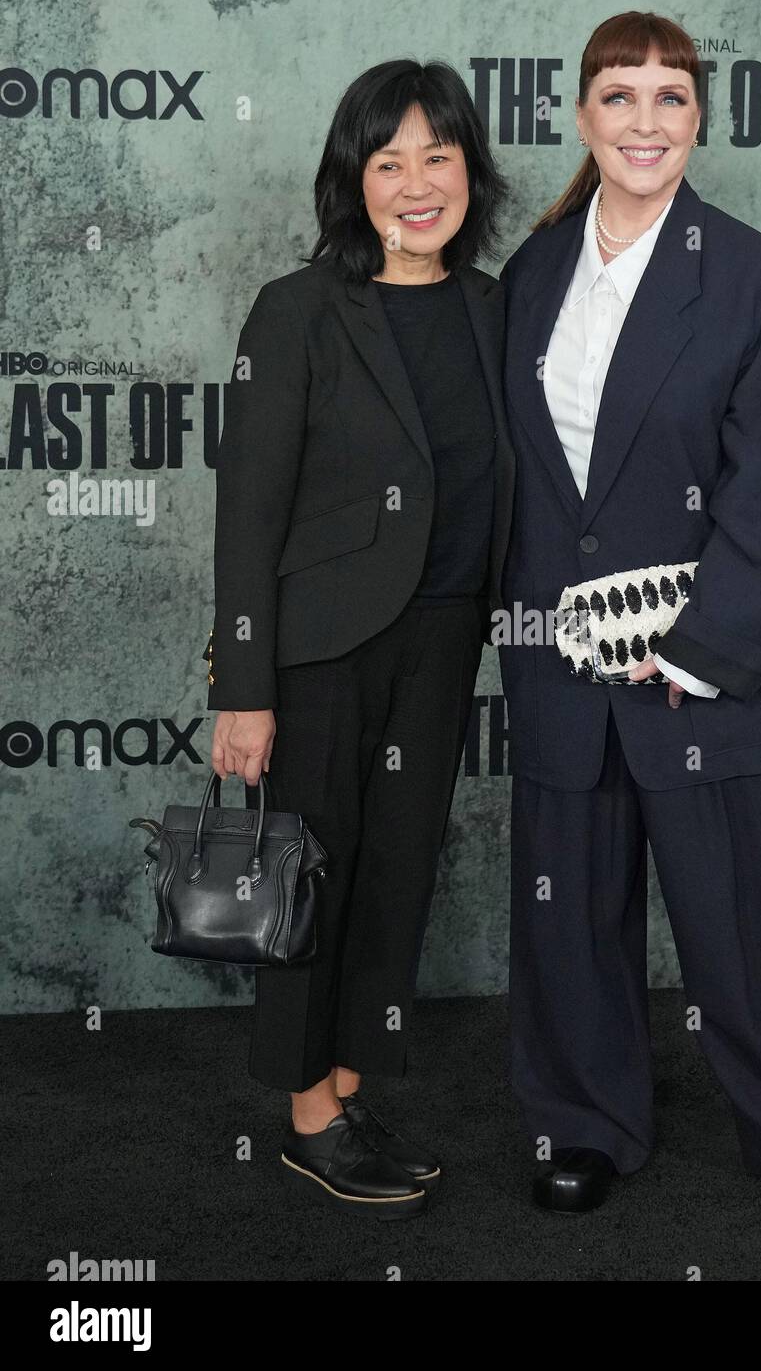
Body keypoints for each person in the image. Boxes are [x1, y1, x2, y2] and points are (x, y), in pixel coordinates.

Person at [497, 10, 761, 1220]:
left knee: (747, 922)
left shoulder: (747, 274)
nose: (644, 121)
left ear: (698, 119)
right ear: (580, 114)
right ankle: (580, 1121)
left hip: (709, 661)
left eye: (669, 98)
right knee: (566, 917)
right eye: (619, 96)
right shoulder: (531, 274)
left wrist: (702, 650)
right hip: (560, 665)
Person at [204, 59, 513, 1218]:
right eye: (390, 162)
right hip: (320, 651)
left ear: (467, 173)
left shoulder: (490, 307)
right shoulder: (296, 312)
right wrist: (244, 686)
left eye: (438, 157)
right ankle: (305, 1118)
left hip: (442, 640)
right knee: (312, 879)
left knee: (393, 876)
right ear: (355, 181)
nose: (416, 182)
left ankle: (343, 1085)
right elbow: (249, 512)